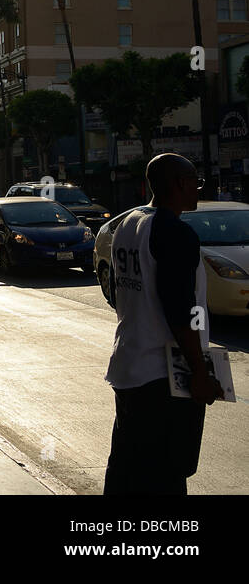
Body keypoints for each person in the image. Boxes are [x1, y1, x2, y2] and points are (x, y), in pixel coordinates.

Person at [104, 153, 223, 495]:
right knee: (166, 477)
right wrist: (199, 373)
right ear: (179, 184)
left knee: (125, 469)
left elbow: (117, 291)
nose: (198, 189)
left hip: (128, 366)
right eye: (194, 182)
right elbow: (180, 310)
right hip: (162, 379)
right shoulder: (176, 233)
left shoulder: (127, 224)